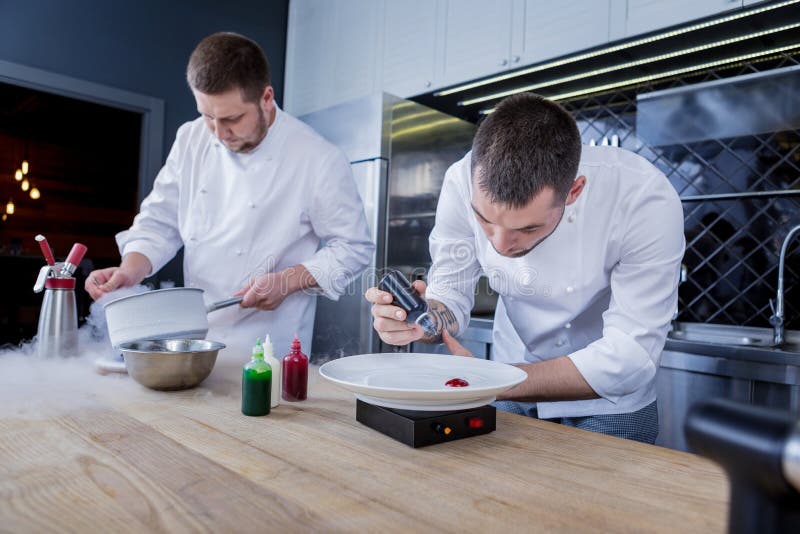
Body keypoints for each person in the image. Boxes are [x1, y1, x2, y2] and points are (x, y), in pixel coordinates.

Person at [365, 93, 684, 443]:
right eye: (484, 221)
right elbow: (450, 296)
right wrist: (421, 322)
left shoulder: (643, 198)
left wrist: (495, 381)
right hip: (509, 380)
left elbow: (630, 356)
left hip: (610, 405)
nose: (500, 246)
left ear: (574, 191)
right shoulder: (461, 182)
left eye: (528, 228)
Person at [86, 32, 373, 356]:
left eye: (232, 119)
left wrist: (288, 280)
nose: (219, 134)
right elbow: (160, 221)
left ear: (266, 98)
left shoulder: (318, 158)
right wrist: (130, 269)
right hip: (195, 341)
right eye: (207, 116)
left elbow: (353, 248)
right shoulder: (191, 138)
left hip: (270, 352)